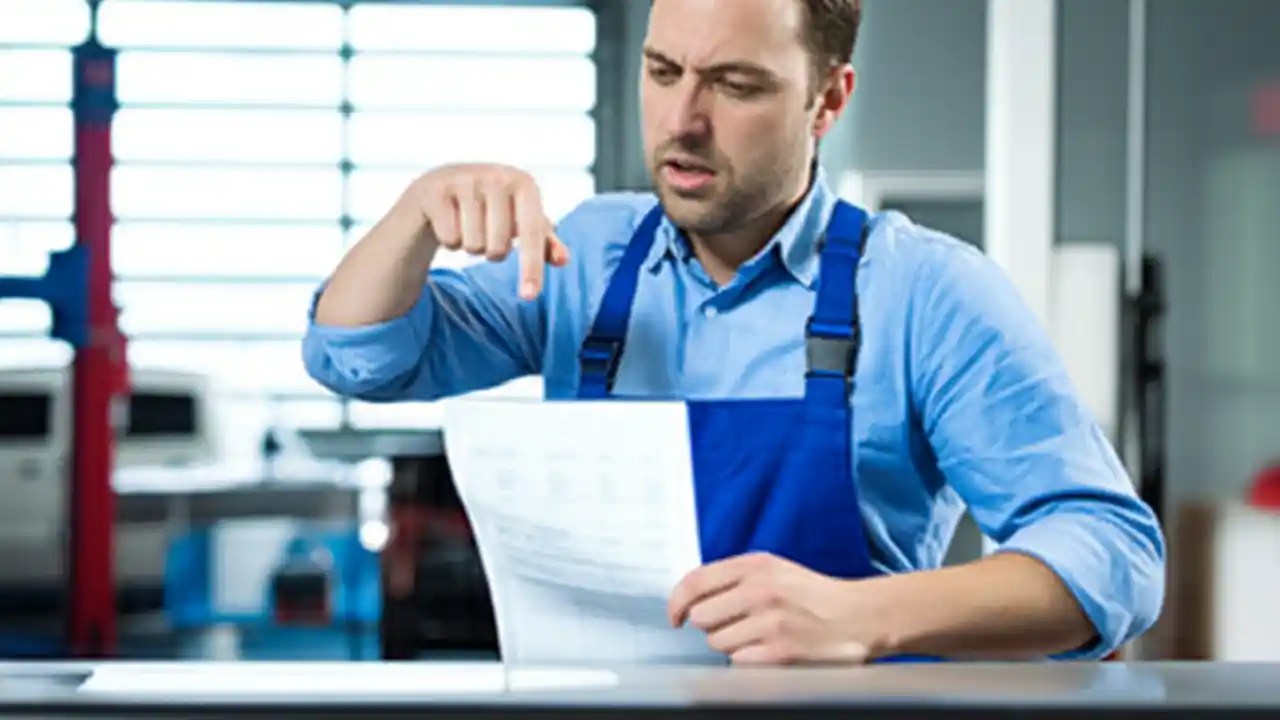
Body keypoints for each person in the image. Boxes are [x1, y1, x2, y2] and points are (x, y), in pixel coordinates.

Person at [303, 0, 1165, 664]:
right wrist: (414, 216)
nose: (682, 120)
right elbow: (360, 358)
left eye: (736, 84)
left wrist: (864, 617)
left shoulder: (923, 293)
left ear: (828, 99)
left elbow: (1113, 554)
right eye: (663, 69)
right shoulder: (588, 257)